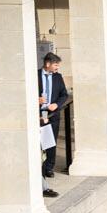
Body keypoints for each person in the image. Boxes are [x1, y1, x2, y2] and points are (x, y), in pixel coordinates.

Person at [37, 51, 69, 196]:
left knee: (51, 141)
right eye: (55, 65)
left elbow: (64, 95)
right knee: (40, 143)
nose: (57, 68)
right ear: (47, 64)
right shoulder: (35, 76)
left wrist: (56, 104)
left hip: (52, 114)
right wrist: (36, 100)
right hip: (39, 114)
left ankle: (49, 167)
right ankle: (41, 169)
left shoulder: (58, 77)